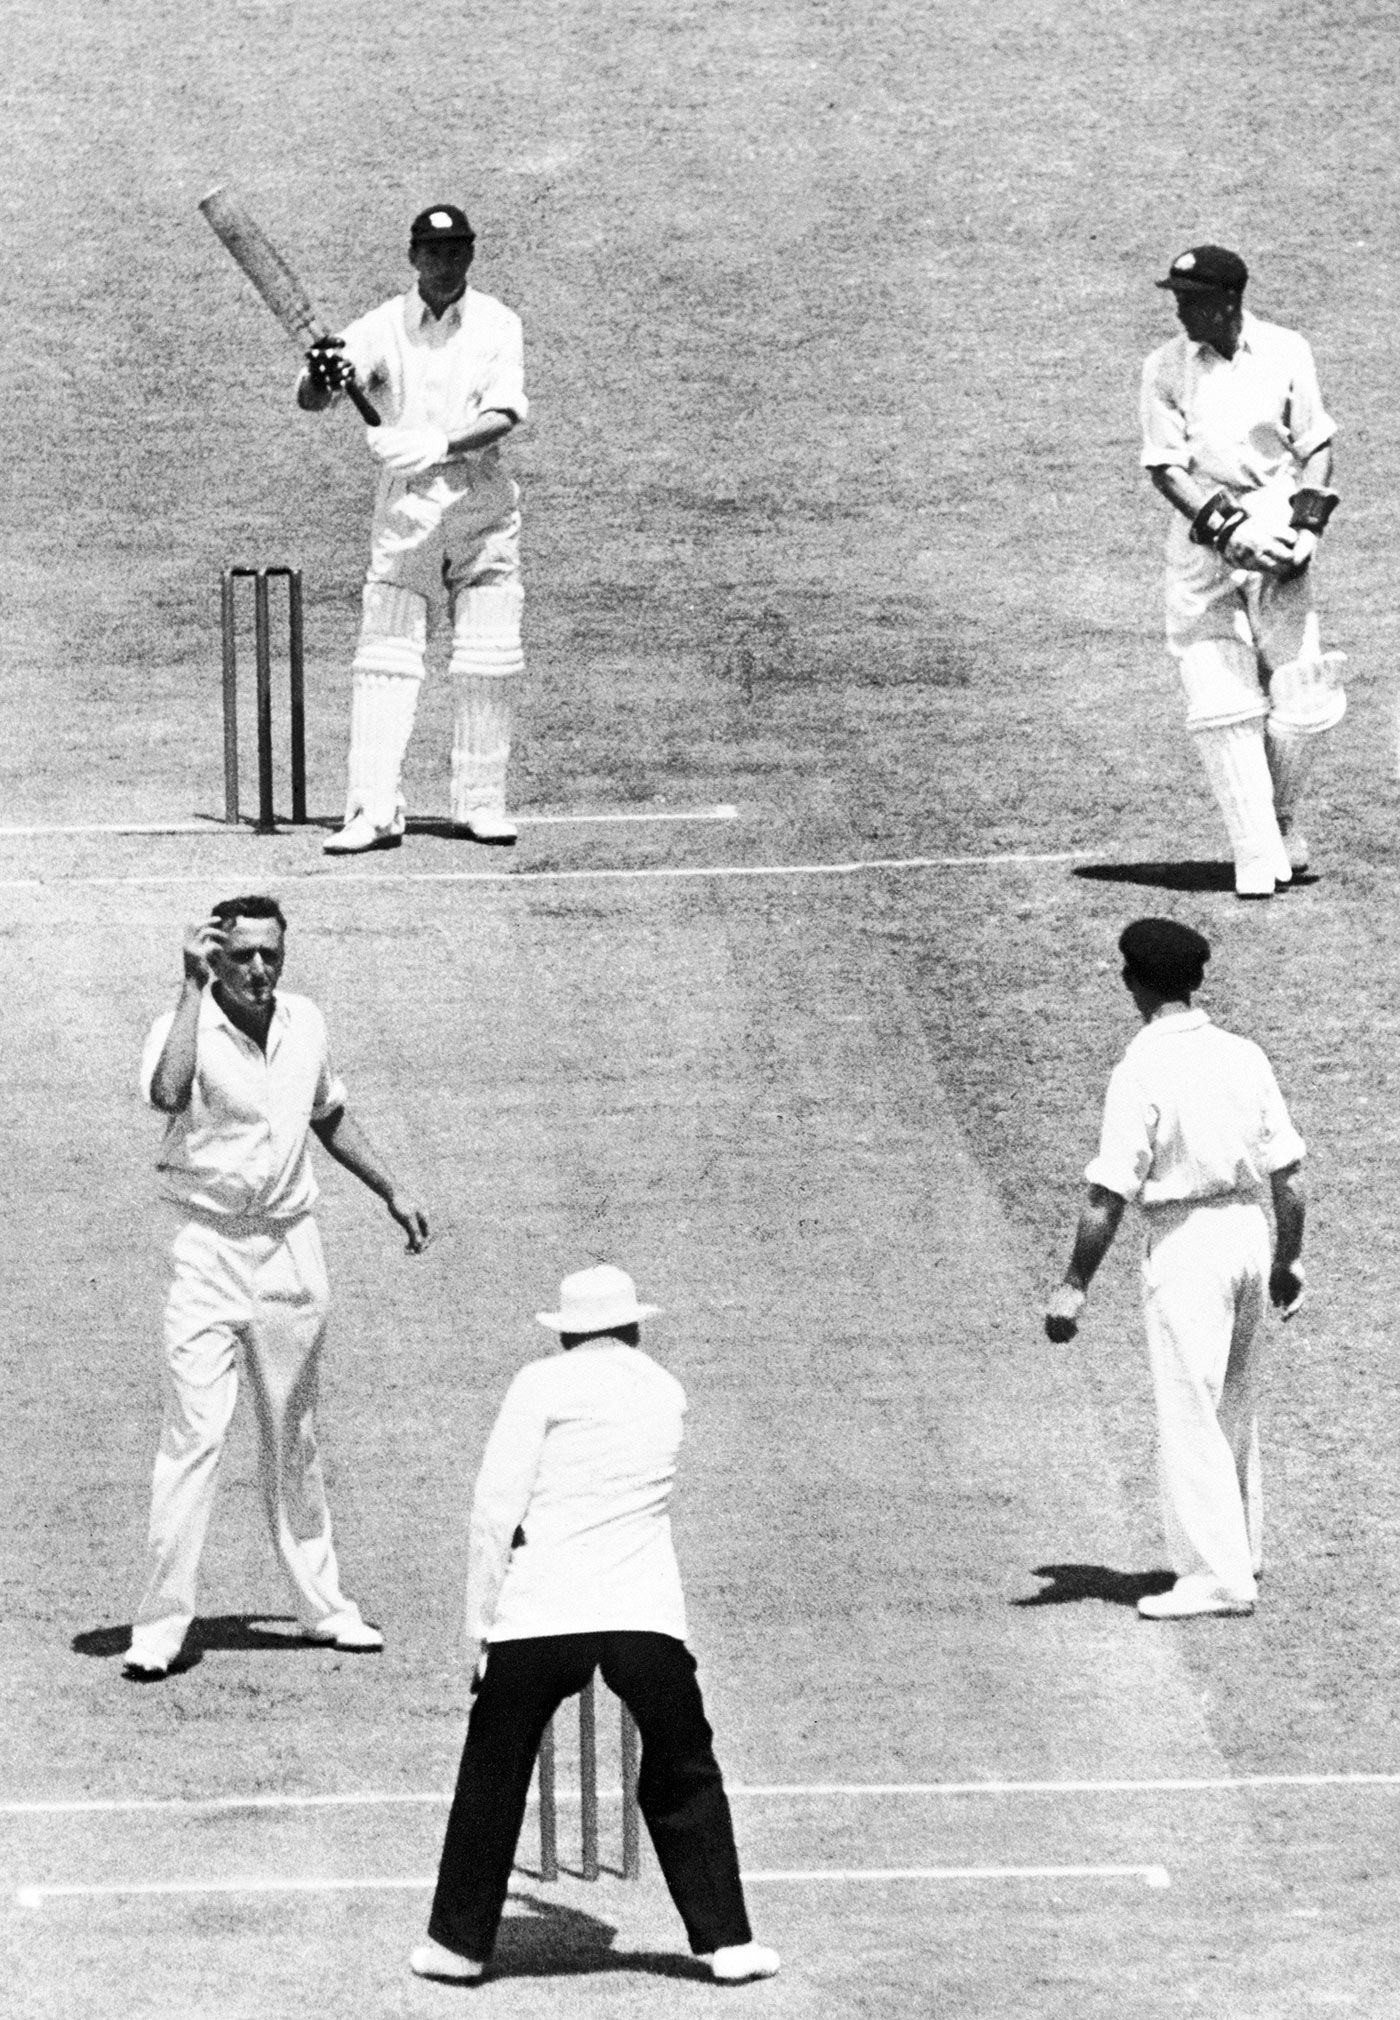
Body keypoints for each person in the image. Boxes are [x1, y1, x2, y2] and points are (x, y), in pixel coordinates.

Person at [409, 1265, 779, 1987]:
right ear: (634, 1327)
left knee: (493, 1768)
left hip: (542, 1609)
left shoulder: (540, 1384)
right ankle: (728, 1944)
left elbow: (494, 1512)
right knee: (685, 1767)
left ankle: (457, 1947)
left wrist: (478, 1629)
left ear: (566, 1333)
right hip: (645, 1613)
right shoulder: (666, 1390)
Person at [124, 895, 431, 1681]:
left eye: (271, 954)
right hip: (206, 1249)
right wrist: (190, 991)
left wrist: (390, 1188)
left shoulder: (307, 1022)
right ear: (215, 959)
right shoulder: (182, 1023)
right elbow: (166, 1092)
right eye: (242, 956)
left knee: (294, 1436)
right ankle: (160, 1628)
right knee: (194, 1436)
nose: (259, 970)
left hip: (292, 1250)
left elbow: (327, 1114)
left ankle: (324, 1610)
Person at [1044, 919, 1306, 1620]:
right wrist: (1287, 1259)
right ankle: (1240, 1551)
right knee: (1233, 1404)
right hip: (1250, 1231)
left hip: (1187, 1242)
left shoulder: (1140, 1070)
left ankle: (1216, 1580)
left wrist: (1074, 1283)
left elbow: (1108, 1194)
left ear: (1133, 981)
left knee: (1191, 1410)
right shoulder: (1244, 1054)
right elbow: (1290, 1175)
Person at [298, 204, 528, 854]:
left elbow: (505, 413)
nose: (444, 261)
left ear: (470, 255)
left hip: (481, 513)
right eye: (433, 250)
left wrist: (437, 443)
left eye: (456, 250)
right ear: (413, 255)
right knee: (386, 662)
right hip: (405, 519)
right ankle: (373, 813)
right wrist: (321, 377)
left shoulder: (497, 323)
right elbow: (315, 397)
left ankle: (480, 806)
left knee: (488, 662)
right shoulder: (378, 326)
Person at [1140, 243, 1345, 898]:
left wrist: (1305, 532)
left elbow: (1317, 448)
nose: (1178, 308)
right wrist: (1228, 534)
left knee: (1305, 698)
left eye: (1189, 298)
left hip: (1280, 523)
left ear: (1227, 301)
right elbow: (1166, 468)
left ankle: (1276, 825)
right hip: (1205, 530)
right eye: (1175, 296)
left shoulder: (1287, 350)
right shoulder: (1165, 366)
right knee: (1222, 699)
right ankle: (1256, 854)